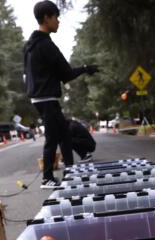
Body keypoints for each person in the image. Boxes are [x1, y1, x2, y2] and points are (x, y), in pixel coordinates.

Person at [24, 1, 99, 188]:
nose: (59, 22)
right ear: (47, 18)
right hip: (47, 97)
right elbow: (65, 74)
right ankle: (47, 178)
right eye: (57, 17)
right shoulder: (45, 45)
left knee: (64, 136)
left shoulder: (30, 45)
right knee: (53, 138)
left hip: (39, 97)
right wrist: (86, 68)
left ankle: (70, 172)